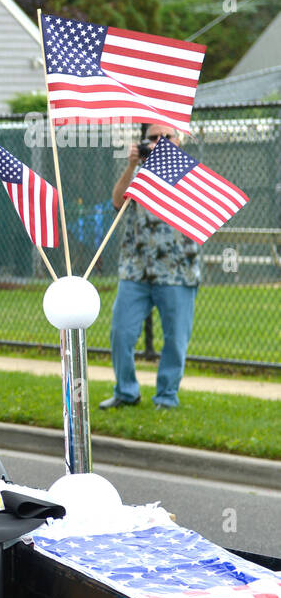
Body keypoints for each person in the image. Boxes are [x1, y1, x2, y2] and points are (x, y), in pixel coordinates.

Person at [101, 123, 200, 410]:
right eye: (153, 138)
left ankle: (166, 397)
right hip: (136, 269)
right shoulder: (139, 173)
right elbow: (117, 201)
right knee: (121, 331)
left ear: (178, 140)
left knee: (175, 340)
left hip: (177, 271)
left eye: (165, 137)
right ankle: (126, 391)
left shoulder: (191, 174)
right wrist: (131, 167)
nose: (158, 142)